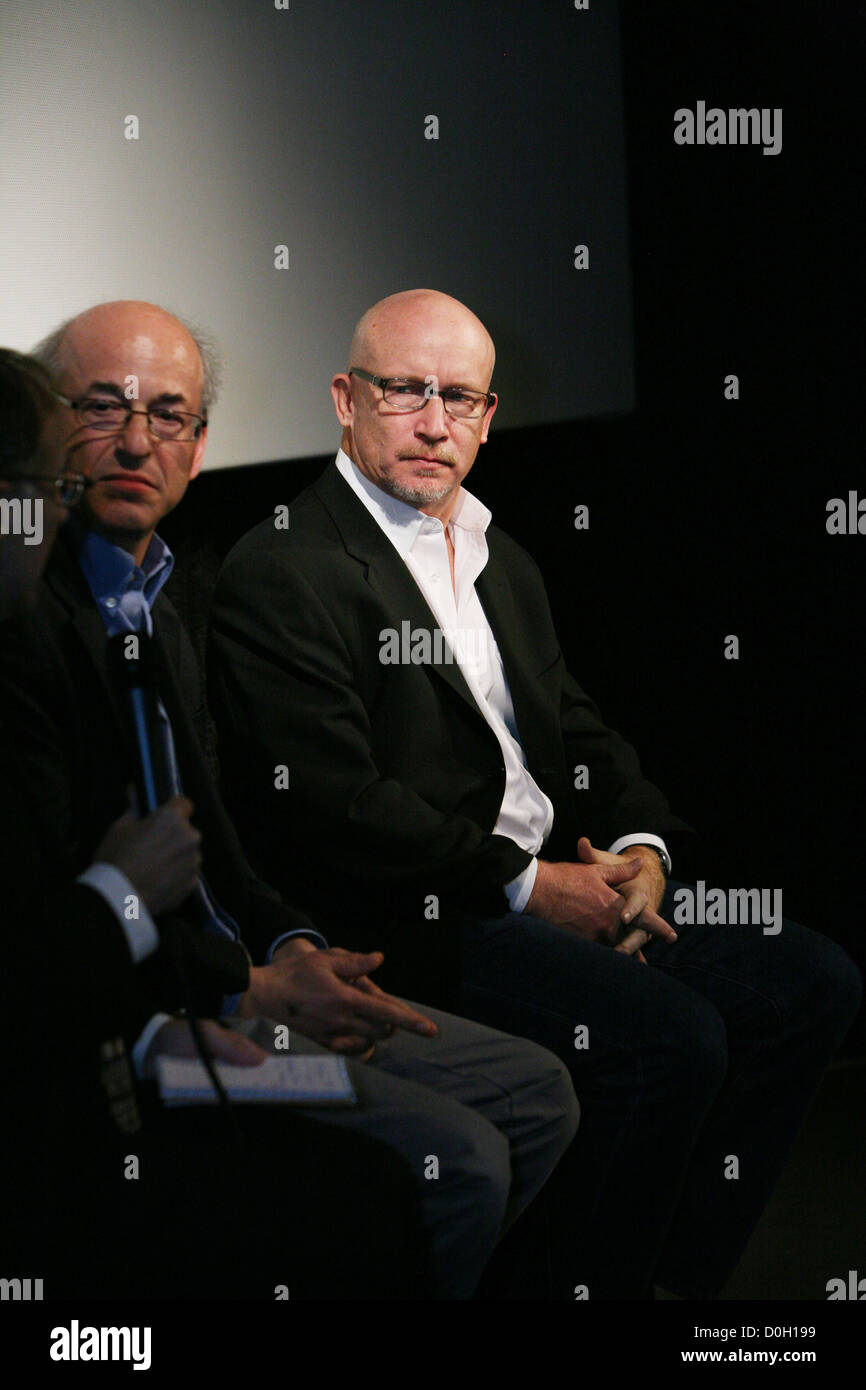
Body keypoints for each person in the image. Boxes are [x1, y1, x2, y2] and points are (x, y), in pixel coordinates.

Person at [209, 288, 862, 1300]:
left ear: (488, 414)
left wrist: (642, 851)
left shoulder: (495, 553)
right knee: (669, 1040)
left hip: (560, 878)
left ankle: (665, 1286)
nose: (434, 423)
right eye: (404, 391)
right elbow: (337, 804)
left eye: (459, 398)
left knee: (809, 981)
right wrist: (528, 887)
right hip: (431, 911)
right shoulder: (282, 564)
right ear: (344, 398)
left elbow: (575, 727)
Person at [0, 313, 579, 1301]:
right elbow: (57, 929)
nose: (137, 441)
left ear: (200, 447)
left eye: (170, 414)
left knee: (535, 1092)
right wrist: (245, 990)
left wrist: (296, 946)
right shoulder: (26, 620)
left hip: (233, 988)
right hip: (157, 1040)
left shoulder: (162, 600)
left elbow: (212, 846)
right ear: (55, 434)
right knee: (461, 1156)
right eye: (103, 408)